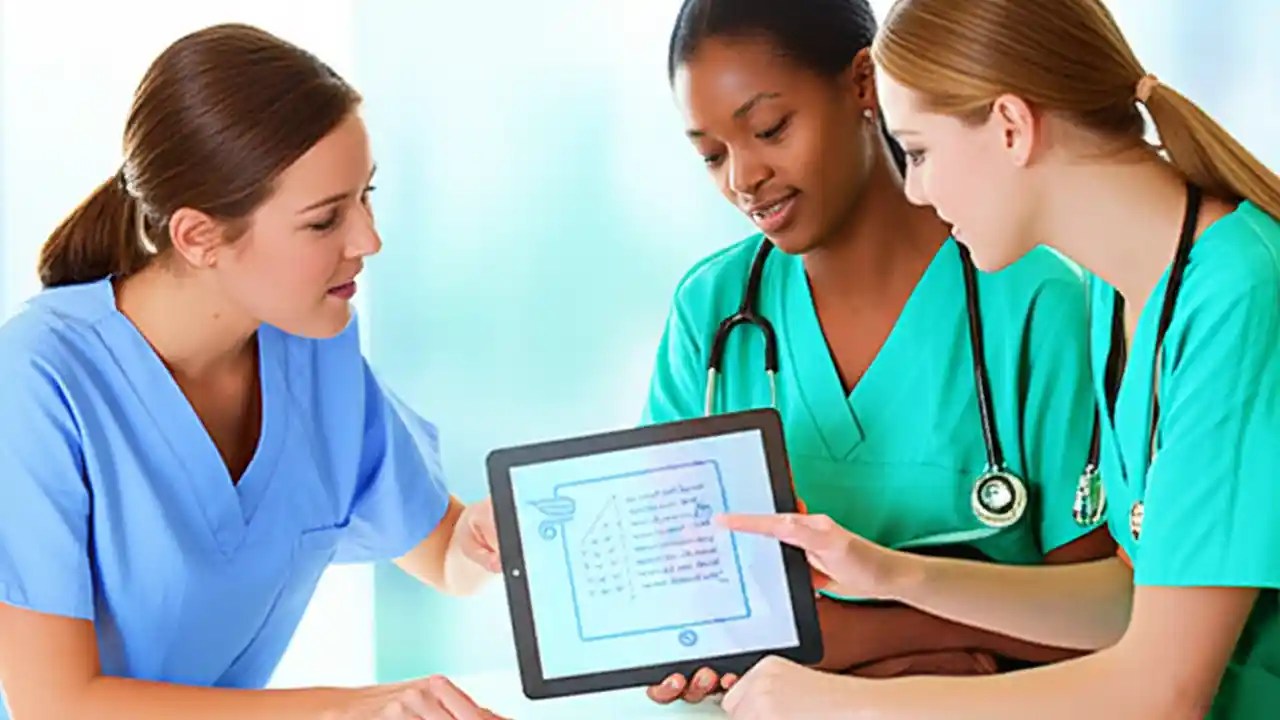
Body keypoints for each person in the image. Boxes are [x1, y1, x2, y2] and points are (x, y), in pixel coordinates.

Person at [714, 0, 1280, 718]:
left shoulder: (1238, 296)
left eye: (916, 151)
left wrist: (832, 705)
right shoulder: (1122, 292)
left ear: (1011, 127)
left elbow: (1159, 690)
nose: (913, 188)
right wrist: (890, 574)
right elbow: (1128, 600)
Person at [0, 24, 508, 720]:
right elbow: (53, 704)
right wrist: (354, 707)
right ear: (198, 236)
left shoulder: (313, 351)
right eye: (325, 220)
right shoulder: (38, 380)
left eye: (366, 196)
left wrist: (494, 538)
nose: (369, 239)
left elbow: (443, 550)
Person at [643, 0, 1116, 705]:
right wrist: (932, 640)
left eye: (770, 129)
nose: (743, 178)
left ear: (864, 83)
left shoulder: (1035, 296)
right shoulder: (711, 311)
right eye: (712, 155)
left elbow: (1107, 621)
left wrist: (840, 642)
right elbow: (679, 596)